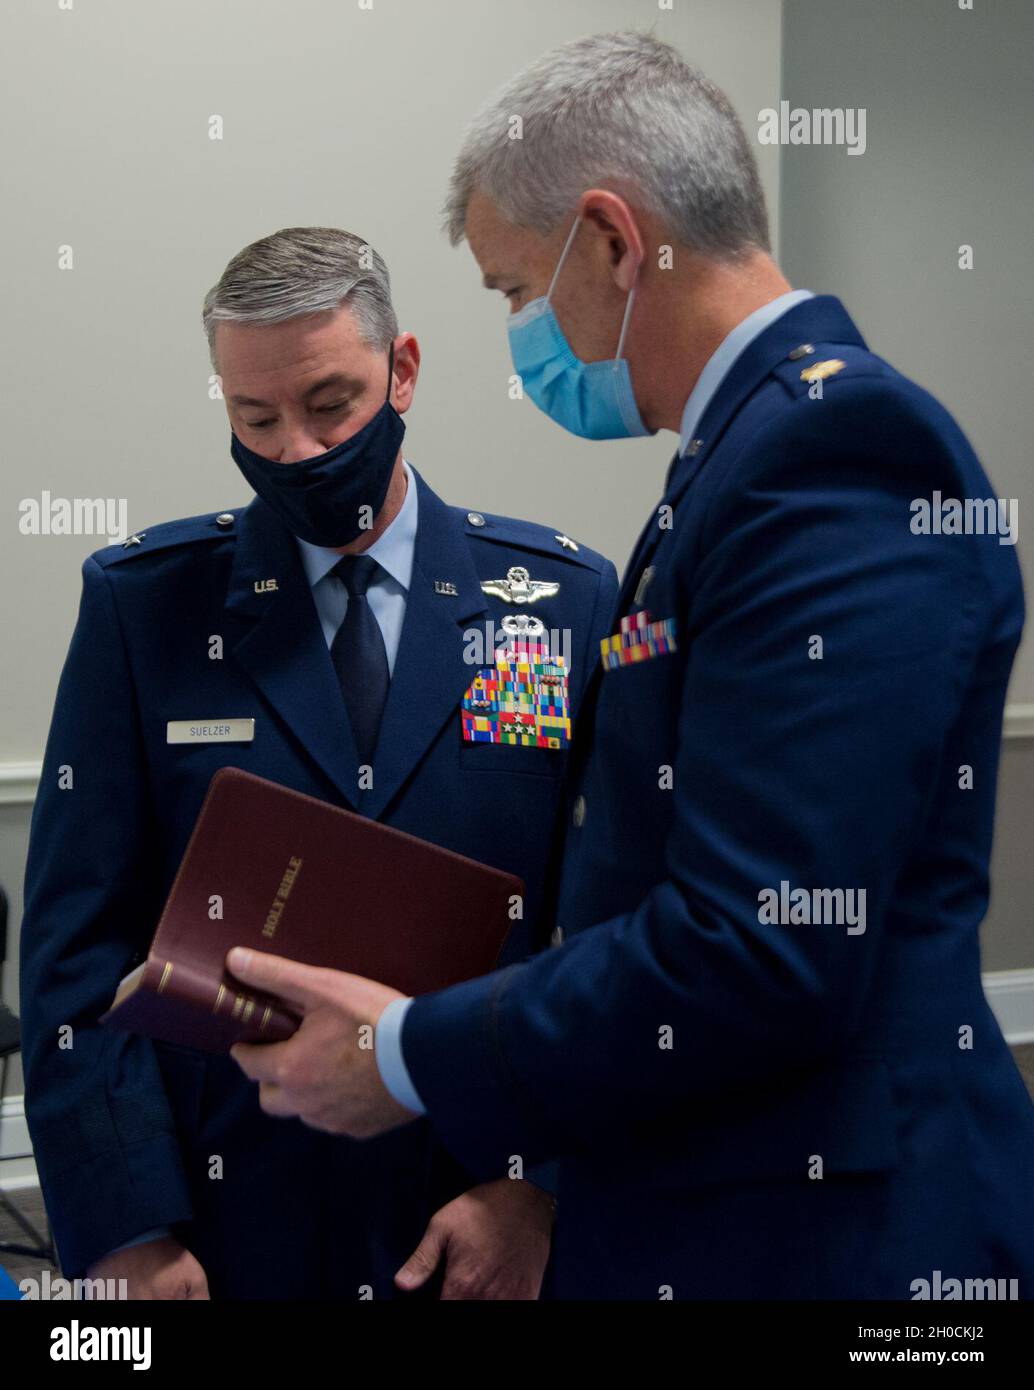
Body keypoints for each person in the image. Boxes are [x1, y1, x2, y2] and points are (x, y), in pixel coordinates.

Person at [224, 34, 1034, 1300]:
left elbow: (761, 941)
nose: (520, 337)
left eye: (509, 292)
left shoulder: (831, 455)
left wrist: (401, 1055)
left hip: (837, 1238)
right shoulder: (740, 459)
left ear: (610, 241)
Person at [19, 225, 618, 1299]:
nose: (294, 448)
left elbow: (607, 930)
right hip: (222, 1227)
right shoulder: (146, 606)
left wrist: (537, 1187)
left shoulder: (559, 601)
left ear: (403, 370)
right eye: (255, 417)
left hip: (475, 1213)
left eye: (330, 404)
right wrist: (126, 1232)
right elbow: (76, 951)